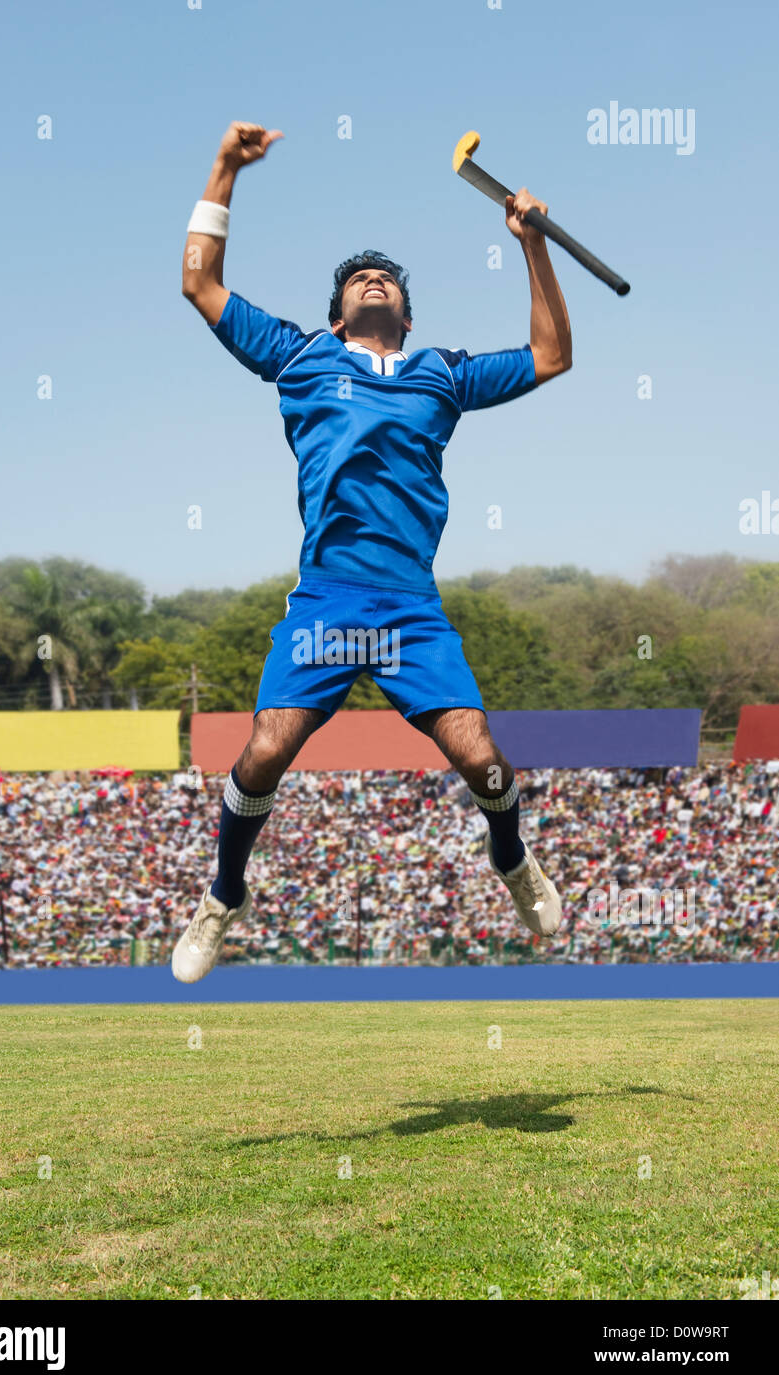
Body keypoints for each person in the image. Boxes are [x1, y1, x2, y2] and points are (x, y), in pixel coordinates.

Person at [172, 120, 573, 984]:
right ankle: (223, 895)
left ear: (407, 309)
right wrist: (223, 168)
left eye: (385, 275)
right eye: (358, 277)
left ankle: (512, 861)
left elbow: (551, 356)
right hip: (327, 601)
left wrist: (533, 247)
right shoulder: (300, 358)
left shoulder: (444, 373)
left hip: (408, 608)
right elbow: (198, 283)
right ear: (337, 311)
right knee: (264, 752)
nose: (373, 278)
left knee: (479, 754)